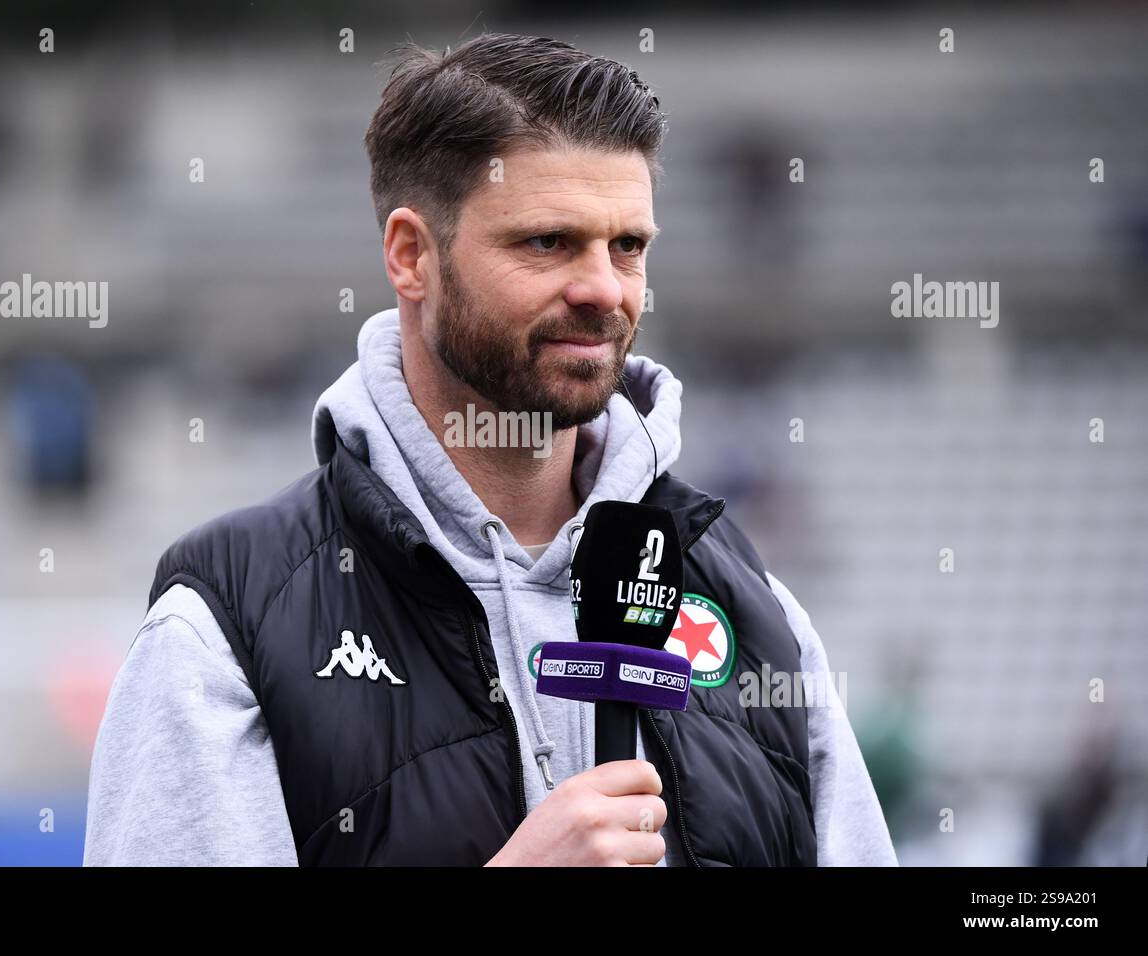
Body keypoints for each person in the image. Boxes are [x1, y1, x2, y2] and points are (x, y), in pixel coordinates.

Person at [84, 32, 897, 867]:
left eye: (628, 247)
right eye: (547, 242)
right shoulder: (228, 624)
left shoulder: (757, 611)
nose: (603, 290)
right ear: (411, 257)